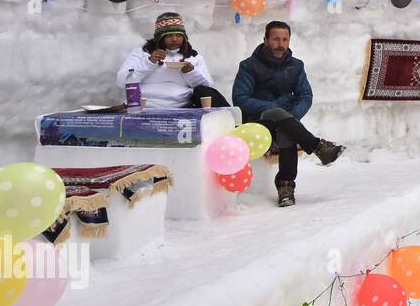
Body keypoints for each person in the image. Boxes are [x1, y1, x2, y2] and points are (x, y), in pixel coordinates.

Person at [232, 21, 344, 207]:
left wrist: (291, 117)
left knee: (286, 129)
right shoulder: (249, 66)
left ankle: (286, 189)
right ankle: (317, 147)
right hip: (257, 122)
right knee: (278, 115)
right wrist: (275, 109)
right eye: (276, 39)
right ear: (265, 40)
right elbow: (240, 99)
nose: (281, 44)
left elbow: (305, 96)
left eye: (285, 39)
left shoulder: (296, 66)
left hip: (285, 121)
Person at [116, 12, 228, 109]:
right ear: (159, 37)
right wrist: (149, 62)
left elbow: (208, 88)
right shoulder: (141, 53)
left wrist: (191, 73)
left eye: (179, 35)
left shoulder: (193, 56)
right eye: (169, 35)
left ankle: (234, 121)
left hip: (183, 107)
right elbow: (121, 81)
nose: (174, 39)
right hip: (144, 106)